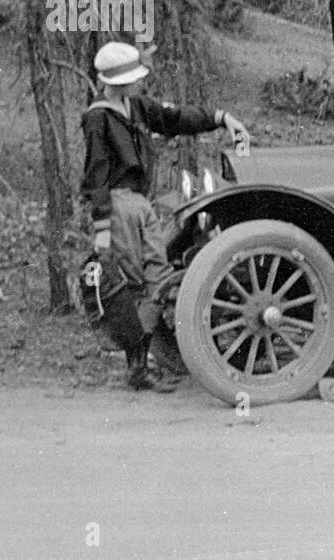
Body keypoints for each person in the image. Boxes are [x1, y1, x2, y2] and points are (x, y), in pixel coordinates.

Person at [80, 41, 249, 392]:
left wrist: (219, 118)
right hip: (117, 205)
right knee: (130, 282)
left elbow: (175, 119)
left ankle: (144, 360)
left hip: (142, 203)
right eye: (135, 78)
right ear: (118, 82)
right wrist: (101, 229)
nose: (141, 83)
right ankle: (137, 367)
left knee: (158, 276)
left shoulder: (136, 107)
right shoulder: (97, 118)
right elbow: (95, 175)